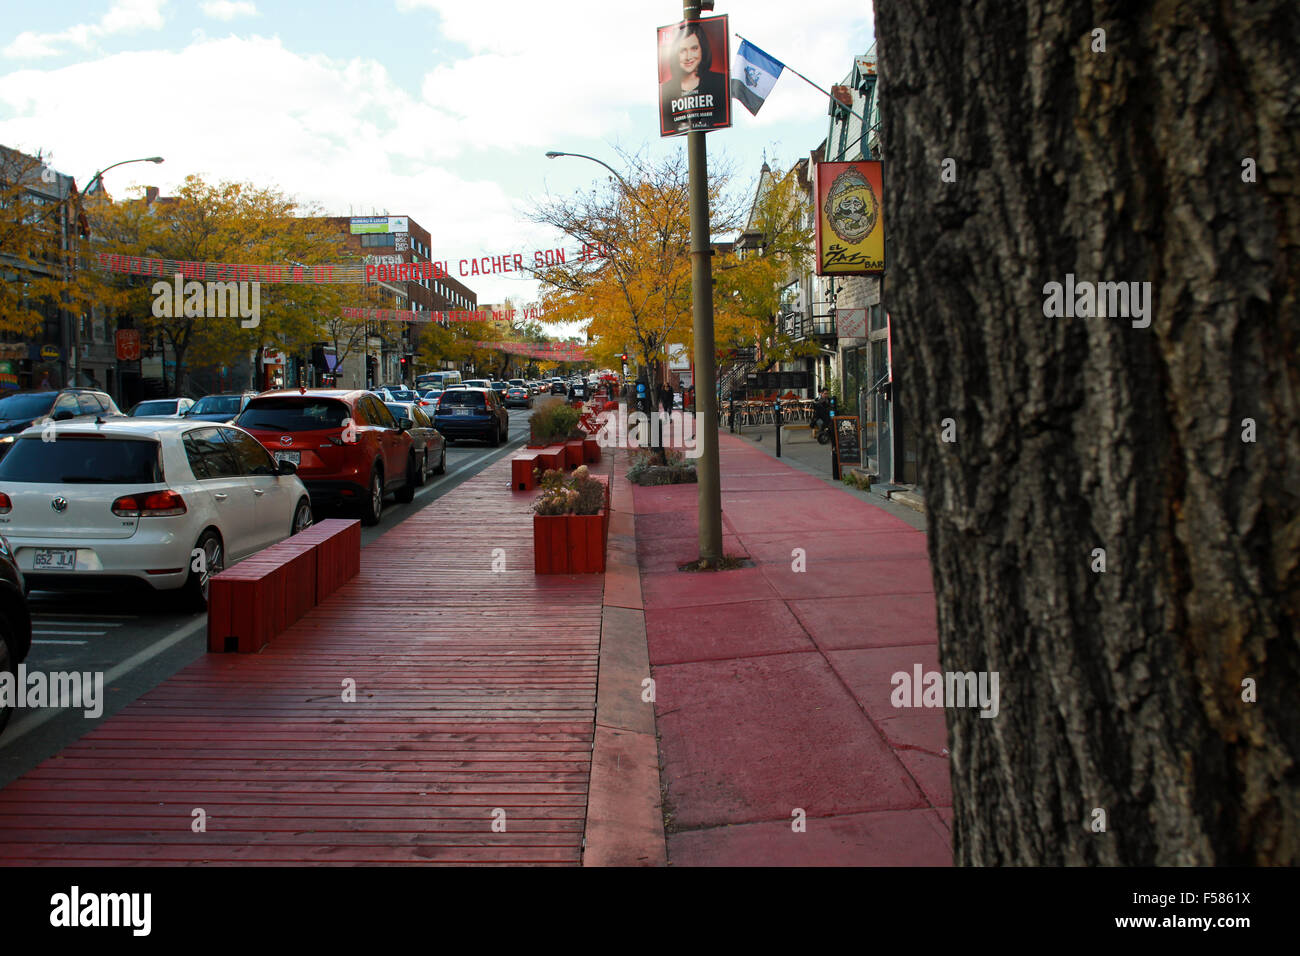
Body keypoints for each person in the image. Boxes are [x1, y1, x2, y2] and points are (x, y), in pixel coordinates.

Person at [659, 21, 728, 136]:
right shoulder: (666, 91)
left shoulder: (720, 83)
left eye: (694, 48)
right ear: (675, 55)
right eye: (682, 51)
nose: (688, 57)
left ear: (702, 49)